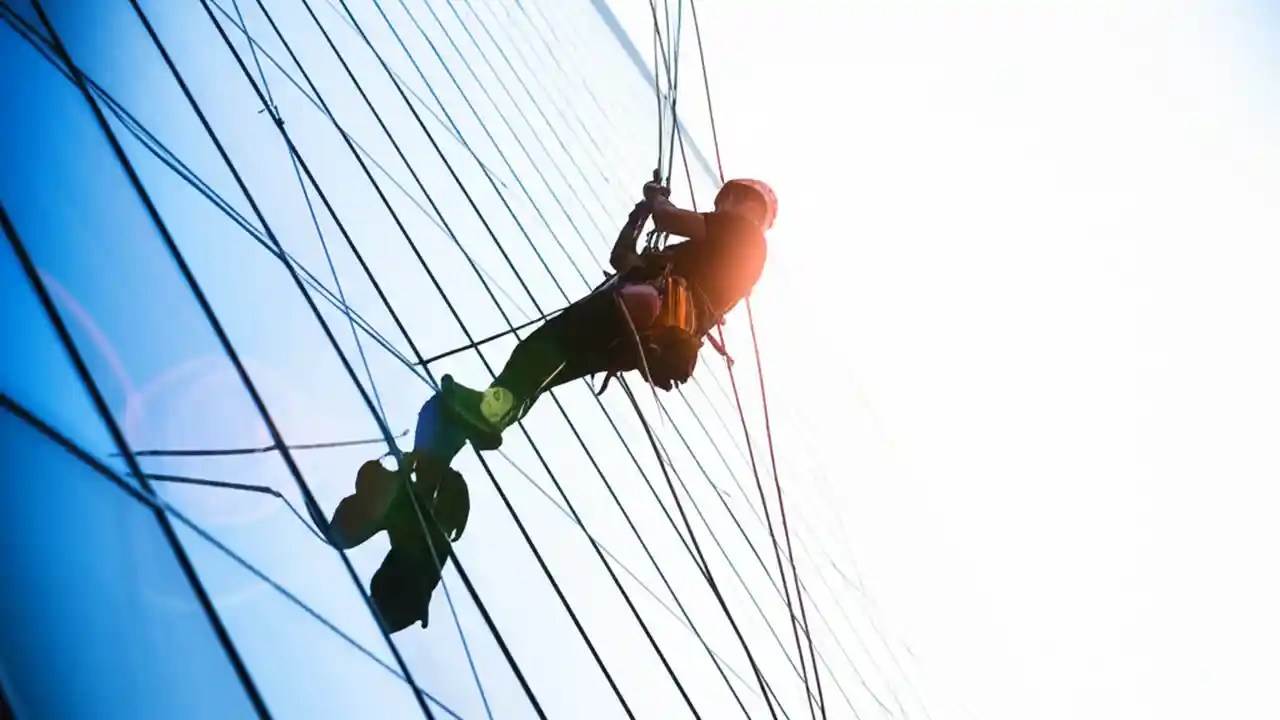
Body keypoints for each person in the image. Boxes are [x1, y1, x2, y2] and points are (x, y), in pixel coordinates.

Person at [327, 174, 775, 632]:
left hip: (646, 315)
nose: (731, 203)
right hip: (636, 328)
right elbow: (622, 258)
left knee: (537, 354)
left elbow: (667, 217)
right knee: (492, 390)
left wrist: (655, 202)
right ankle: (428, 490)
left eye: (739, 199)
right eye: (730, 198)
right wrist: (637, 216)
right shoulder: (696, 253)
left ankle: (480, 421)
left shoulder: (744, 237)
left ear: (752, 209)